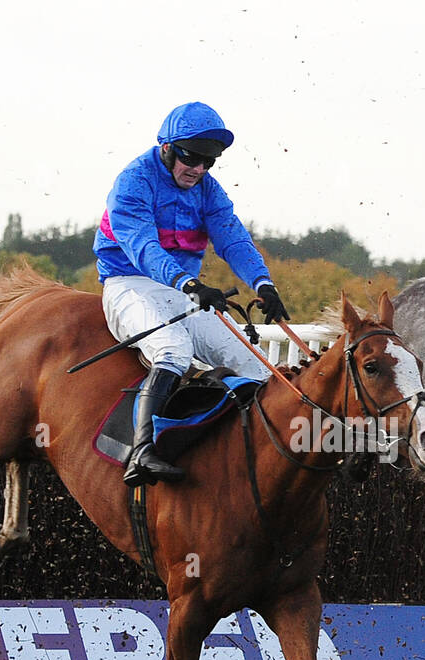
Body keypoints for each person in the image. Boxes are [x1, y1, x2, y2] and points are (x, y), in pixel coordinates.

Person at [94, 101, 291, 487]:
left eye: (208, 162)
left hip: (180, 290)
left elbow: (233, 239)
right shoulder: (134, 181)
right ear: (167, 148)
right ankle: (142, 451)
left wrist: (263, 283)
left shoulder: (208, 190)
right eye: (191, 158)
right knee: (173, 350)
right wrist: (188, 283)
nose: (198, 169)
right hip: (128, 284)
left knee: (254, 365)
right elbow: (143, 247)